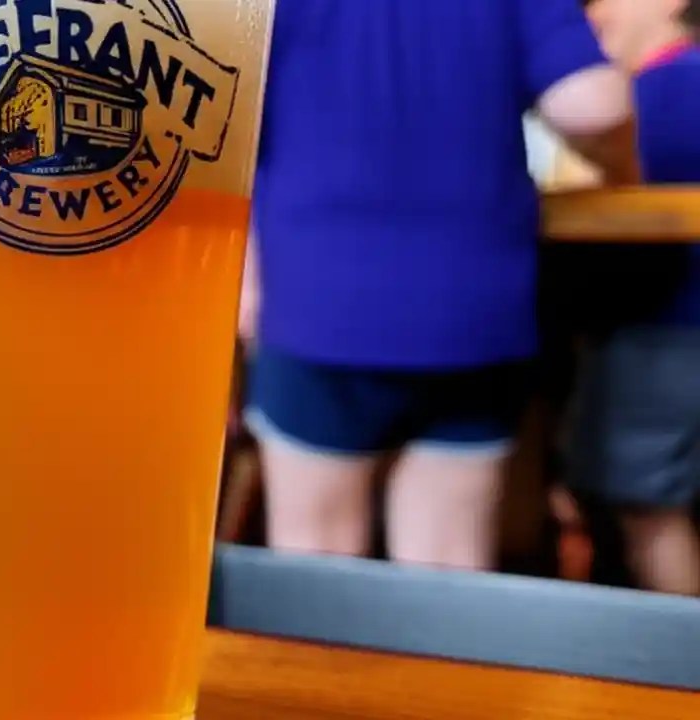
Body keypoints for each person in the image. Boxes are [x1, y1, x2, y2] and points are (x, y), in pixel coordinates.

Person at [244, 0, 639, 570]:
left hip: (321, 301)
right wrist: (623, 171)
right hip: (475, 310)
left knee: (315, 569)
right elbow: (594, 105)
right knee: (443, 573)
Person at [566, 0, 700, 596]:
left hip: (664, 331)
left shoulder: (664, 93)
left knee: (645, 510)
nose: (592, 10)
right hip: (656, 330)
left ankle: (676, 678)